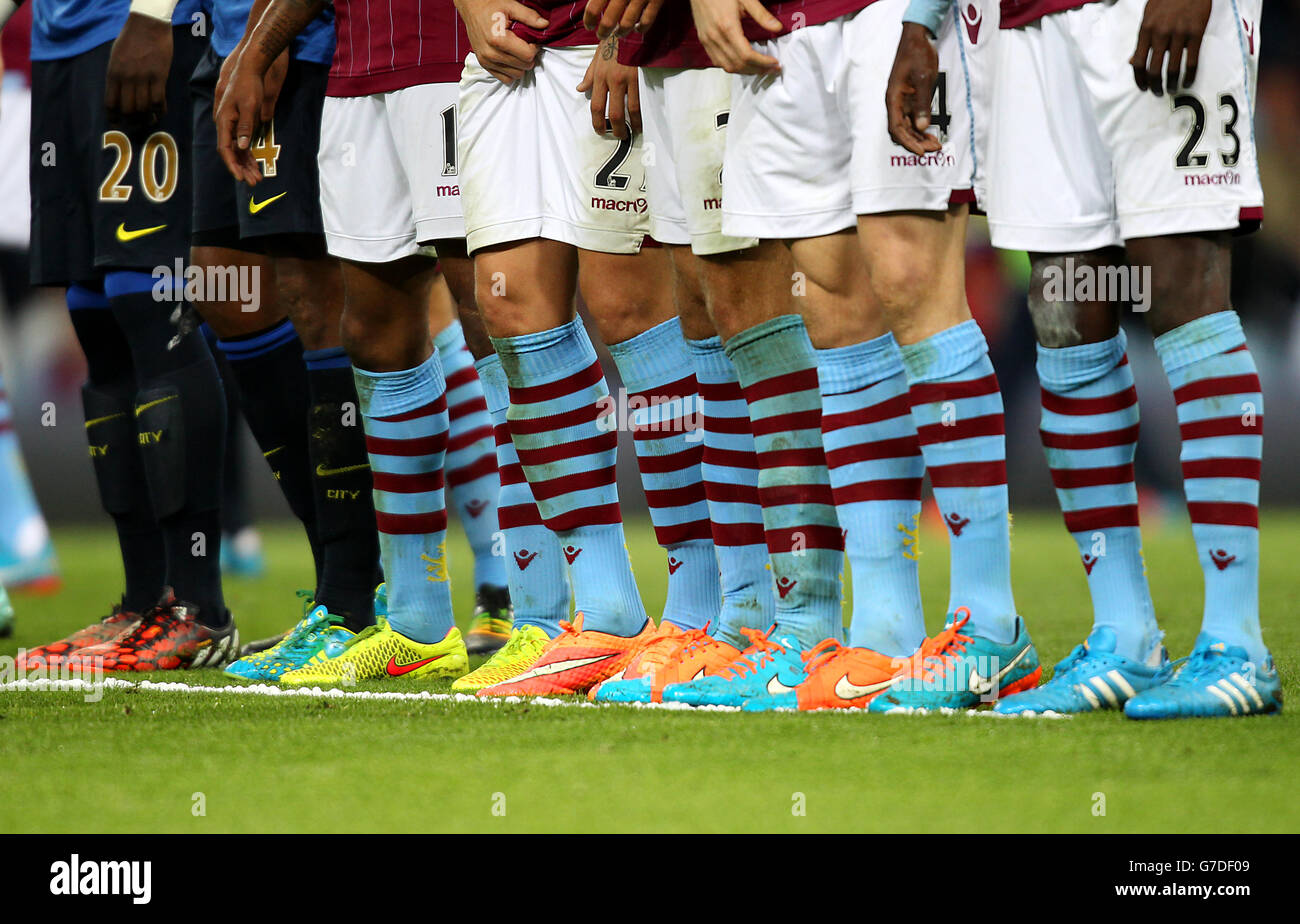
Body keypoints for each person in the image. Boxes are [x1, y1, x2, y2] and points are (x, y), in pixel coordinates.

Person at [890, 0, 1278, 718]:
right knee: (1066, 307)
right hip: (1028, 23)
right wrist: (921, 18)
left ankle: (1238, 643)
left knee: (1182, 277)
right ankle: (1125, 634)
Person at [16, 0, 239, 673]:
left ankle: (199, 608)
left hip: (138, 26)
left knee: (147, 298)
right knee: (93, 310)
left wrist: (150, 12)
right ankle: (141, 603)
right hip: (58, 48)